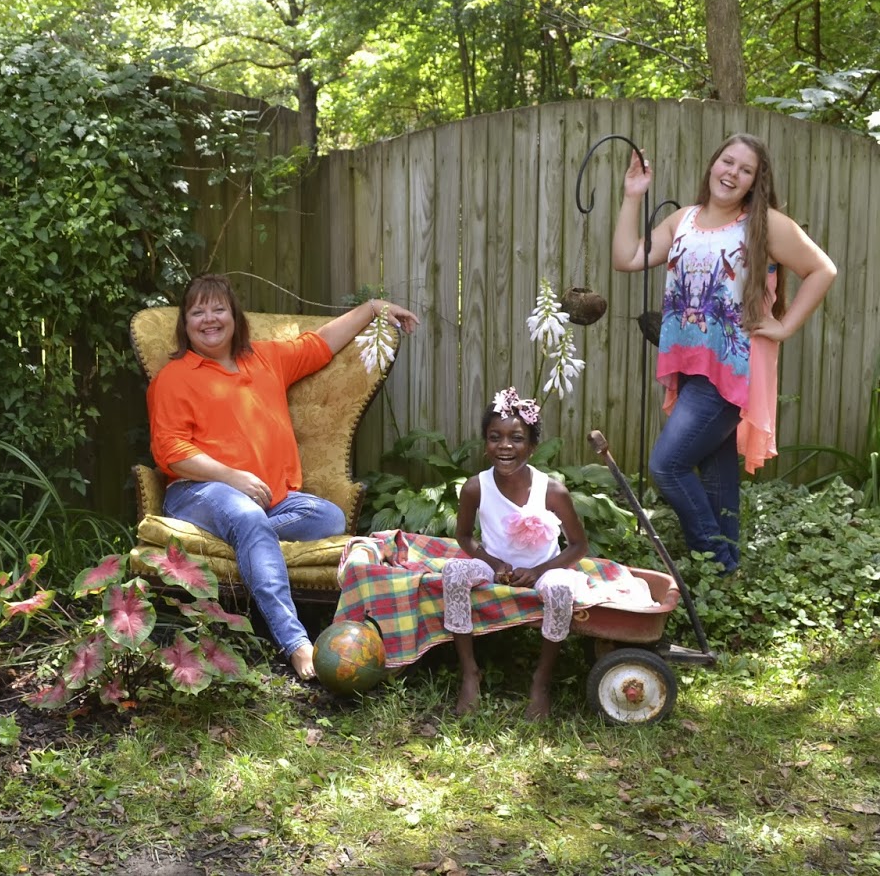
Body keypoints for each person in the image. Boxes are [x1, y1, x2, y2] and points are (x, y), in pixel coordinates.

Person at [147, 274, 420, 679]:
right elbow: (170, 452)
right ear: (185, 324)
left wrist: (372, 309)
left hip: (271, 499)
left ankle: (250, 540)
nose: (209, 318)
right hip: (197, 491)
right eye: (197, 311)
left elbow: (320, 345)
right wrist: (233, 477)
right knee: (248, 519)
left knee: (328, 517)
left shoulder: (265, 359)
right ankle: (296, 643)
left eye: (218, 308)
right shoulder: (175, 377)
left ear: (234, 317)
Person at [613, 135, 837, 573]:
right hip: (691, 365)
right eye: (727, 161)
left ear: (755, 181)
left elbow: (822, 269)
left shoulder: (763, 223)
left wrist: (784, 326)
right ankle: (724, 571)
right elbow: (627, 257)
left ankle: (715, 560)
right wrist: (632, 196)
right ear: (713, 164)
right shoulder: (684, 219)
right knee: (716, 472)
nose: (732, 173)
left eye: (745, 169)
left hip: (733, 367)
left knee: (667, 466)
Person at [442, 388, 589, 720]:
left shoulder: (551, 490)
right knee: (452, 572)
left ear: (532, 447)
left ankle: (541, 682)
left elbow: (580, 546)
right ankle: (470, 674)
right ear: (485, 444)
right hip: (494, 564)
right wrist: (493, 564)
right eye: (495, 437)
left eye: (516, 438)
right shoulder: (475, 487)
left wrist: (538, 572)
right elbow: (463, 536)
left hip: (544, 569)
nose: (505, 445)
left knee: (562, 589)